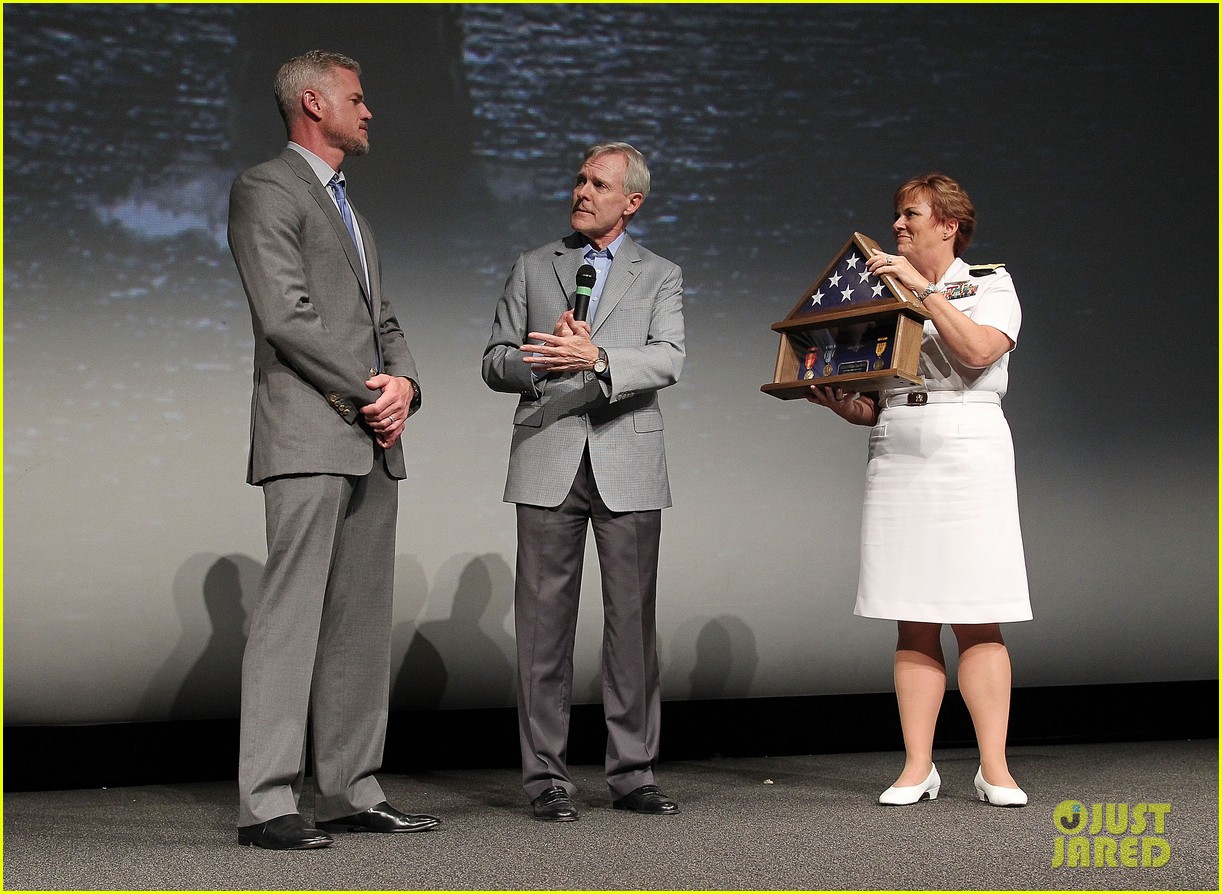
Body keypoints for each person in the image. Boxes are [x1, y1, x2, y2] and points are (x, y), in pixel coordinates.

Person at [227, 50, 438, 849]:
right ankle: (269, 802)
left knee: (357, 623)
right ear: (314, 103)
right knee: (290, 620)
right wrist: (367, 391)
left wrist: (406, 386)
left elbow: (384, 321)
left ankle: (352, 788)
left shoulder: (353, 211)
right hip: (310, 432)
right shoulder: (266, 189)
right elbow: (286, 316)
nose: (369, 110)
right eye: (357, 98)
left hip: (369, 438)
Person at [807, 173, 1031, 808]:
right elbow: (879, 395)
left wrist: (924, 292)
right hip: (900, 447)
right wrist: (846, 405)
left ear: (948, 225)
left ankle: (994, 767)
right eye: (897, 216)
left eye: (911, 216)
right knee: (914, 615)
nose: (898, 226)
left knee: (977, 614)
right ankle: (918, 766)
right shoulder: (884, 293)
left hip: (967, 447)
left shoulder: (990, 283)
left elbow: (978, 352)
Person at [482, 142, 685, 822]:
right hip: (548, 454)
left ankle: (633, 774)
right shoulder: (535, 266)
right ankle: (545, 780)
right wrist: (542, 362)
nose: (582, 190)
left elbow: (667, 359)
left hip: (626, 461)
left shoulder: (660, 275)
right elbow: (495, 359)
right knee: (542, 630)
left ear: (631, 201)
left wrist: (596, 357)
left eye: (599, 183)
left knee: (632, 627)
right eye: (579, 179)